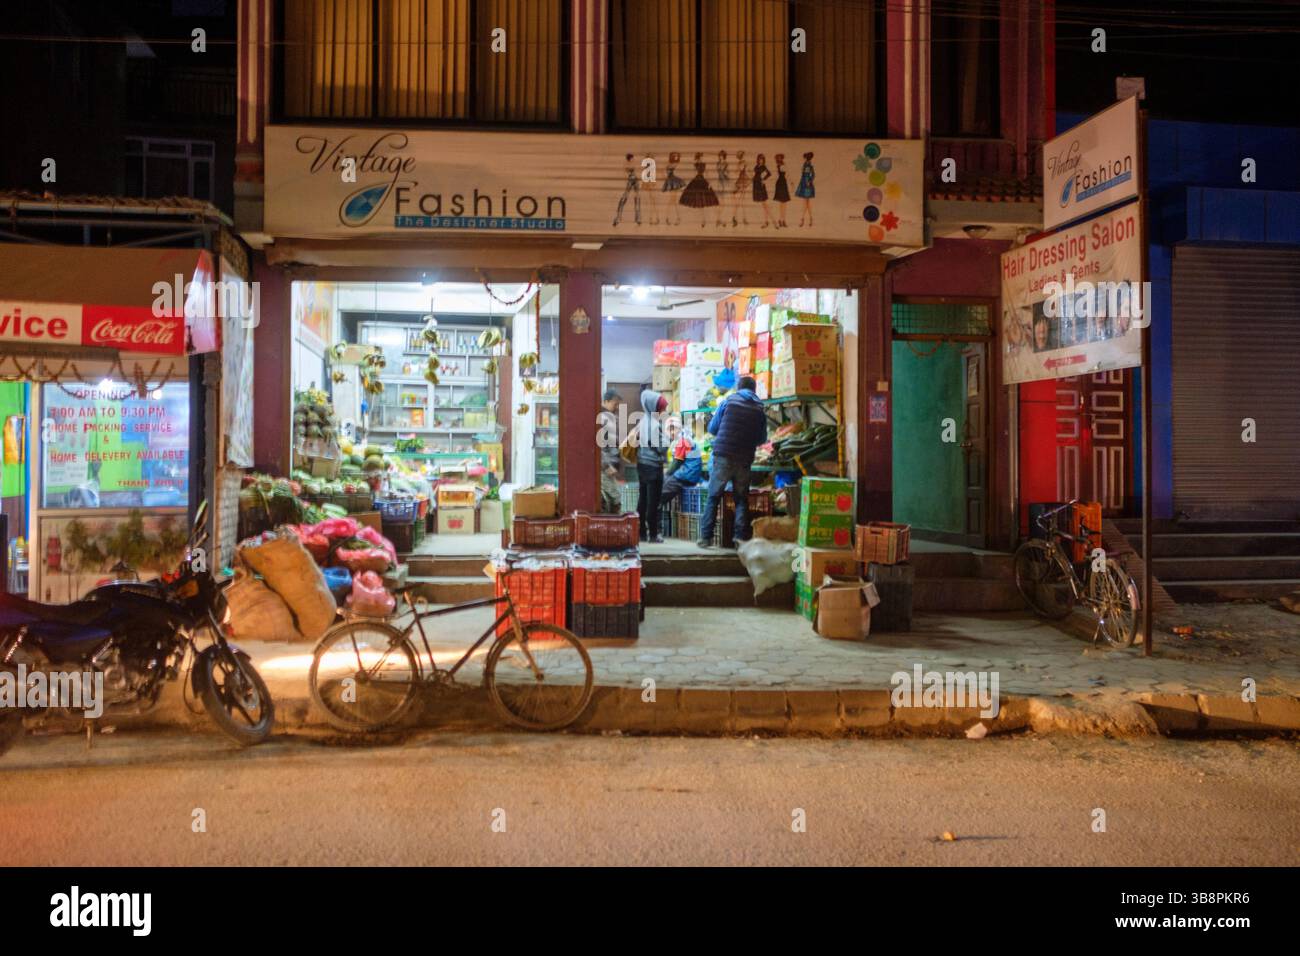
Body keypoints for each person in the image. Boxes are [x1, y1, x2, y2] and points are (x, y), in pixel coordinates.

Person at [698, 376, 768, 549]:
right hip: (745, 458)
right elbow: (762, 439)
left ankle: (706, 538)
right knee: (741, 499)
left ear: (738, 387)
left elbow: (712, 429)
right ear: (754, 390)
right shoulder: (760, 408)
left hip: (723, 456)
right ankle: (739, 540)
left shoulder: (728, 401)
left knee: (714, 496)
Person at [636, 387, 671, 542]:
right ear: (653, 407)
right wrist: (668, 439)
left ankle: (641, 532)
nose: (663, 411)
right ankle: (654, 534)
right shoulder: (655, 425)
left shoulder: (643, 420)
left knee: (642, 499)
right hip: (653, 466)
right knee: (653, 501)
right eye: (661, 408)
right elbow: (661, 447)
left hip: (642, 464)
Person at [660, 418, 703, 510]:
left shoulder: (683, 441)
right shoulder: (684, 438)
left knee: (658, 495)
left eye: (674, 429)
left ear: (679, 428)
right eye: (669, 429)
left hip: (686, 475)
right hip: (689, 474)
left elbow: (676, 464)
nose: (671, 432)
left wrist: (664, 474)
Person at [598, 389, 622, 513]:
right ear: (606, 401)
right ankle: (612, 526)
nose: (617, 407)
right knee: (615, 498)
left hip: (608, 467)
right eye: (615, 404)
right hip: (603, 469)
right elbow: (598, 447)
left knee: (610, 499)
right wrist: (607, 466)